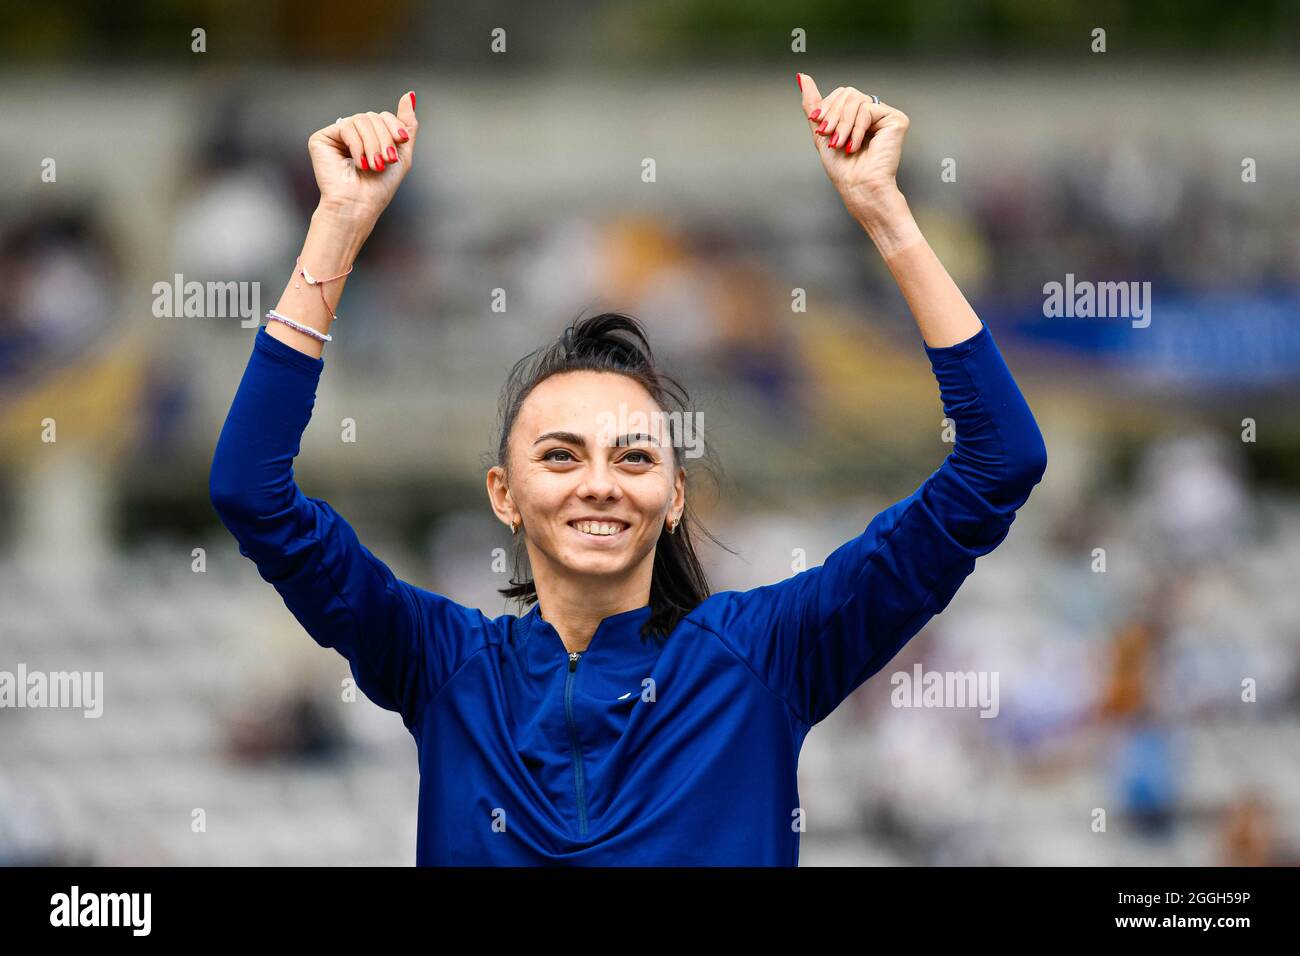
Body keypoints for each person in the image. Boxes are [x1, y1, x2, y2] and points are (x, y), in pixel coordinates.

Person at [209, 77, 1048, 865]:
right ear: (503, 495)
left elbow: (999, 461)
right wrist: (341, 224)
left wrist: (887, 218)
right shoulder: (442, 664)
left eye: (635, 455)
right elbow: (252, 491)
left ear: (675, 495)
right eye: (560, 454)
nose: (599, 482)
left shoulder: (766, 656)